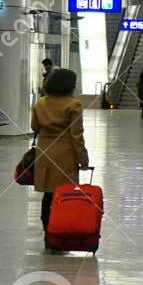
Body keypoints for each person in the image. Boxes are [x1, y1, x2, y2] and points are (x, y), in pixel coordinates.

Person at [31, 66, 88, 233]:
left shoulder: (40, 103)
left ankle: (47, 231)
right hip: (65, 155)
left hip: (44, 152)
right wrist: (83, 159)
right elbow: (76, 135)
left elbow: (34, 127)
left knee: (48, 195)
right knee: (63, 194)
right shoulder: (74, 105)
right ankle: (60, 229)